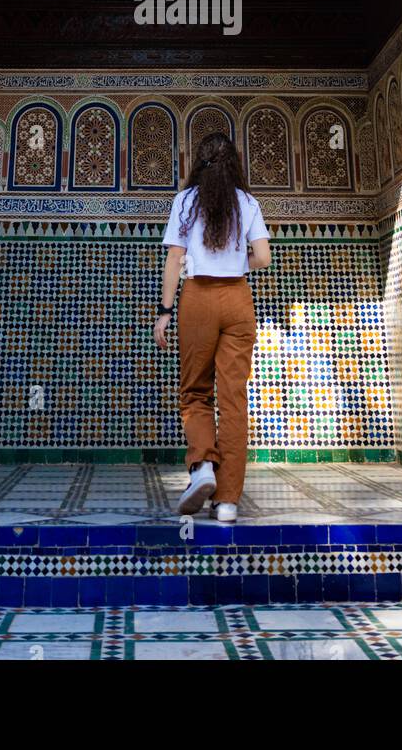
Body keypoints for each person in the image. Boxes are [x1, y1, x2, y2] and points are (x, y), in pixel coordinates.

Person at [153, 132, 271, 523]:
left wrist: (165, 310)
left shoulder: (186, 201)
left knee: (195, 392)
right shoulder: (248, 202)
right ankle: (227, 501)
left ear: (198, 163)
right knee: (233, 399)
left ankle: (202, 465)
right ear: (233, 163)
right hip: (238, 301)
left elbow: (175, 258)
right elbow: (264, 258)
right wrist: (237, 264)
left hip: (198, 298)